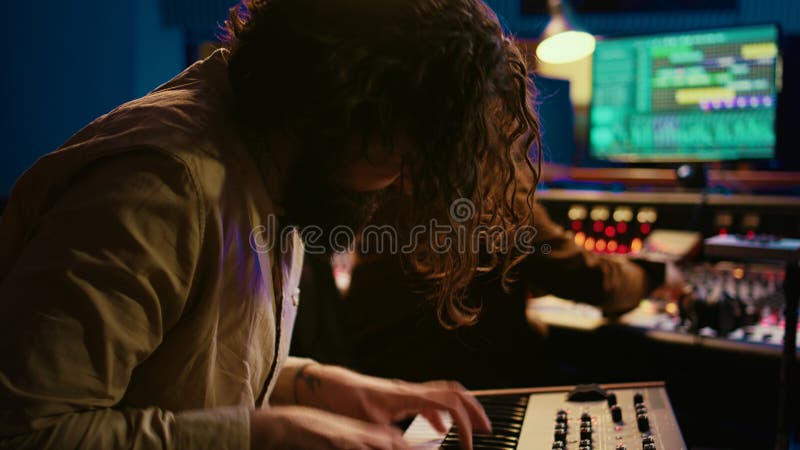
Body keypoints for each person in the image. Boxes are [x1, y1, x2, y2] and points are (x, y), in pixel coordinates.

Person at [0, 0, 542, 449]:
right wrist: (269, 433)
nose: (399, 182)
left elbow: (189, 376)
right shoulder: (162, 187)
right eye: (399, 154)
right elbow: (29, 432)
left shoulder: (274, 154)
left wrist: (326, 388)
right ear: (347, 103)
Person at [292, 192, 681, 388]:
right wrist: (655, 273)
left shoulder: (387, 178)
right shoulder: (497, 193)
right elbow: (598, 283)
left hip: (376, 383)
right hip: (465, 390)